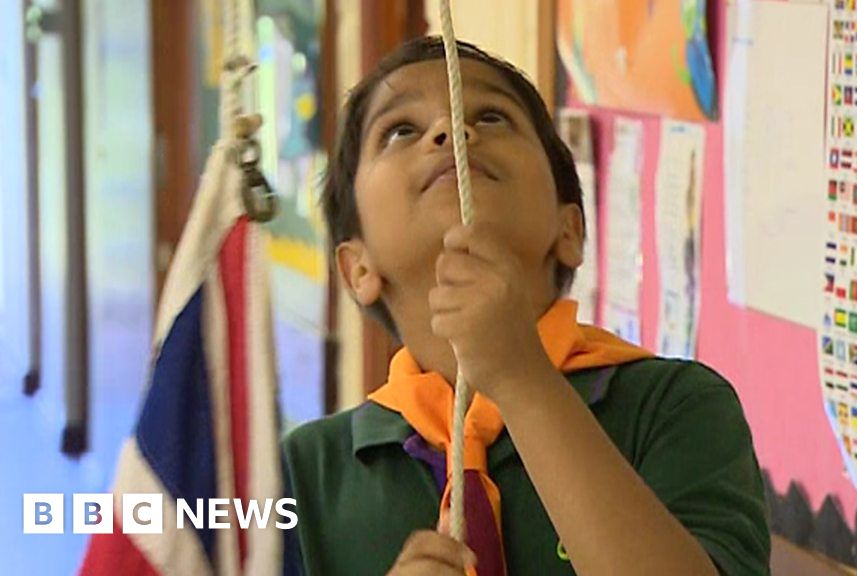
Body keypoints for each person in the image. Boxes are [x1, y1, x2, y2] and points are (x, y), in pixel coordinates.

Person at [283, 36, 770, 575]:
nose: (452, 133)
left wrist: (520, 377)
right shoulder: (303, 474)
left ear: (570, 230)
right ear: (358, 269)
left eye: (491, 117)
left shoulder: (675, 407)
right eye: (401, 130)